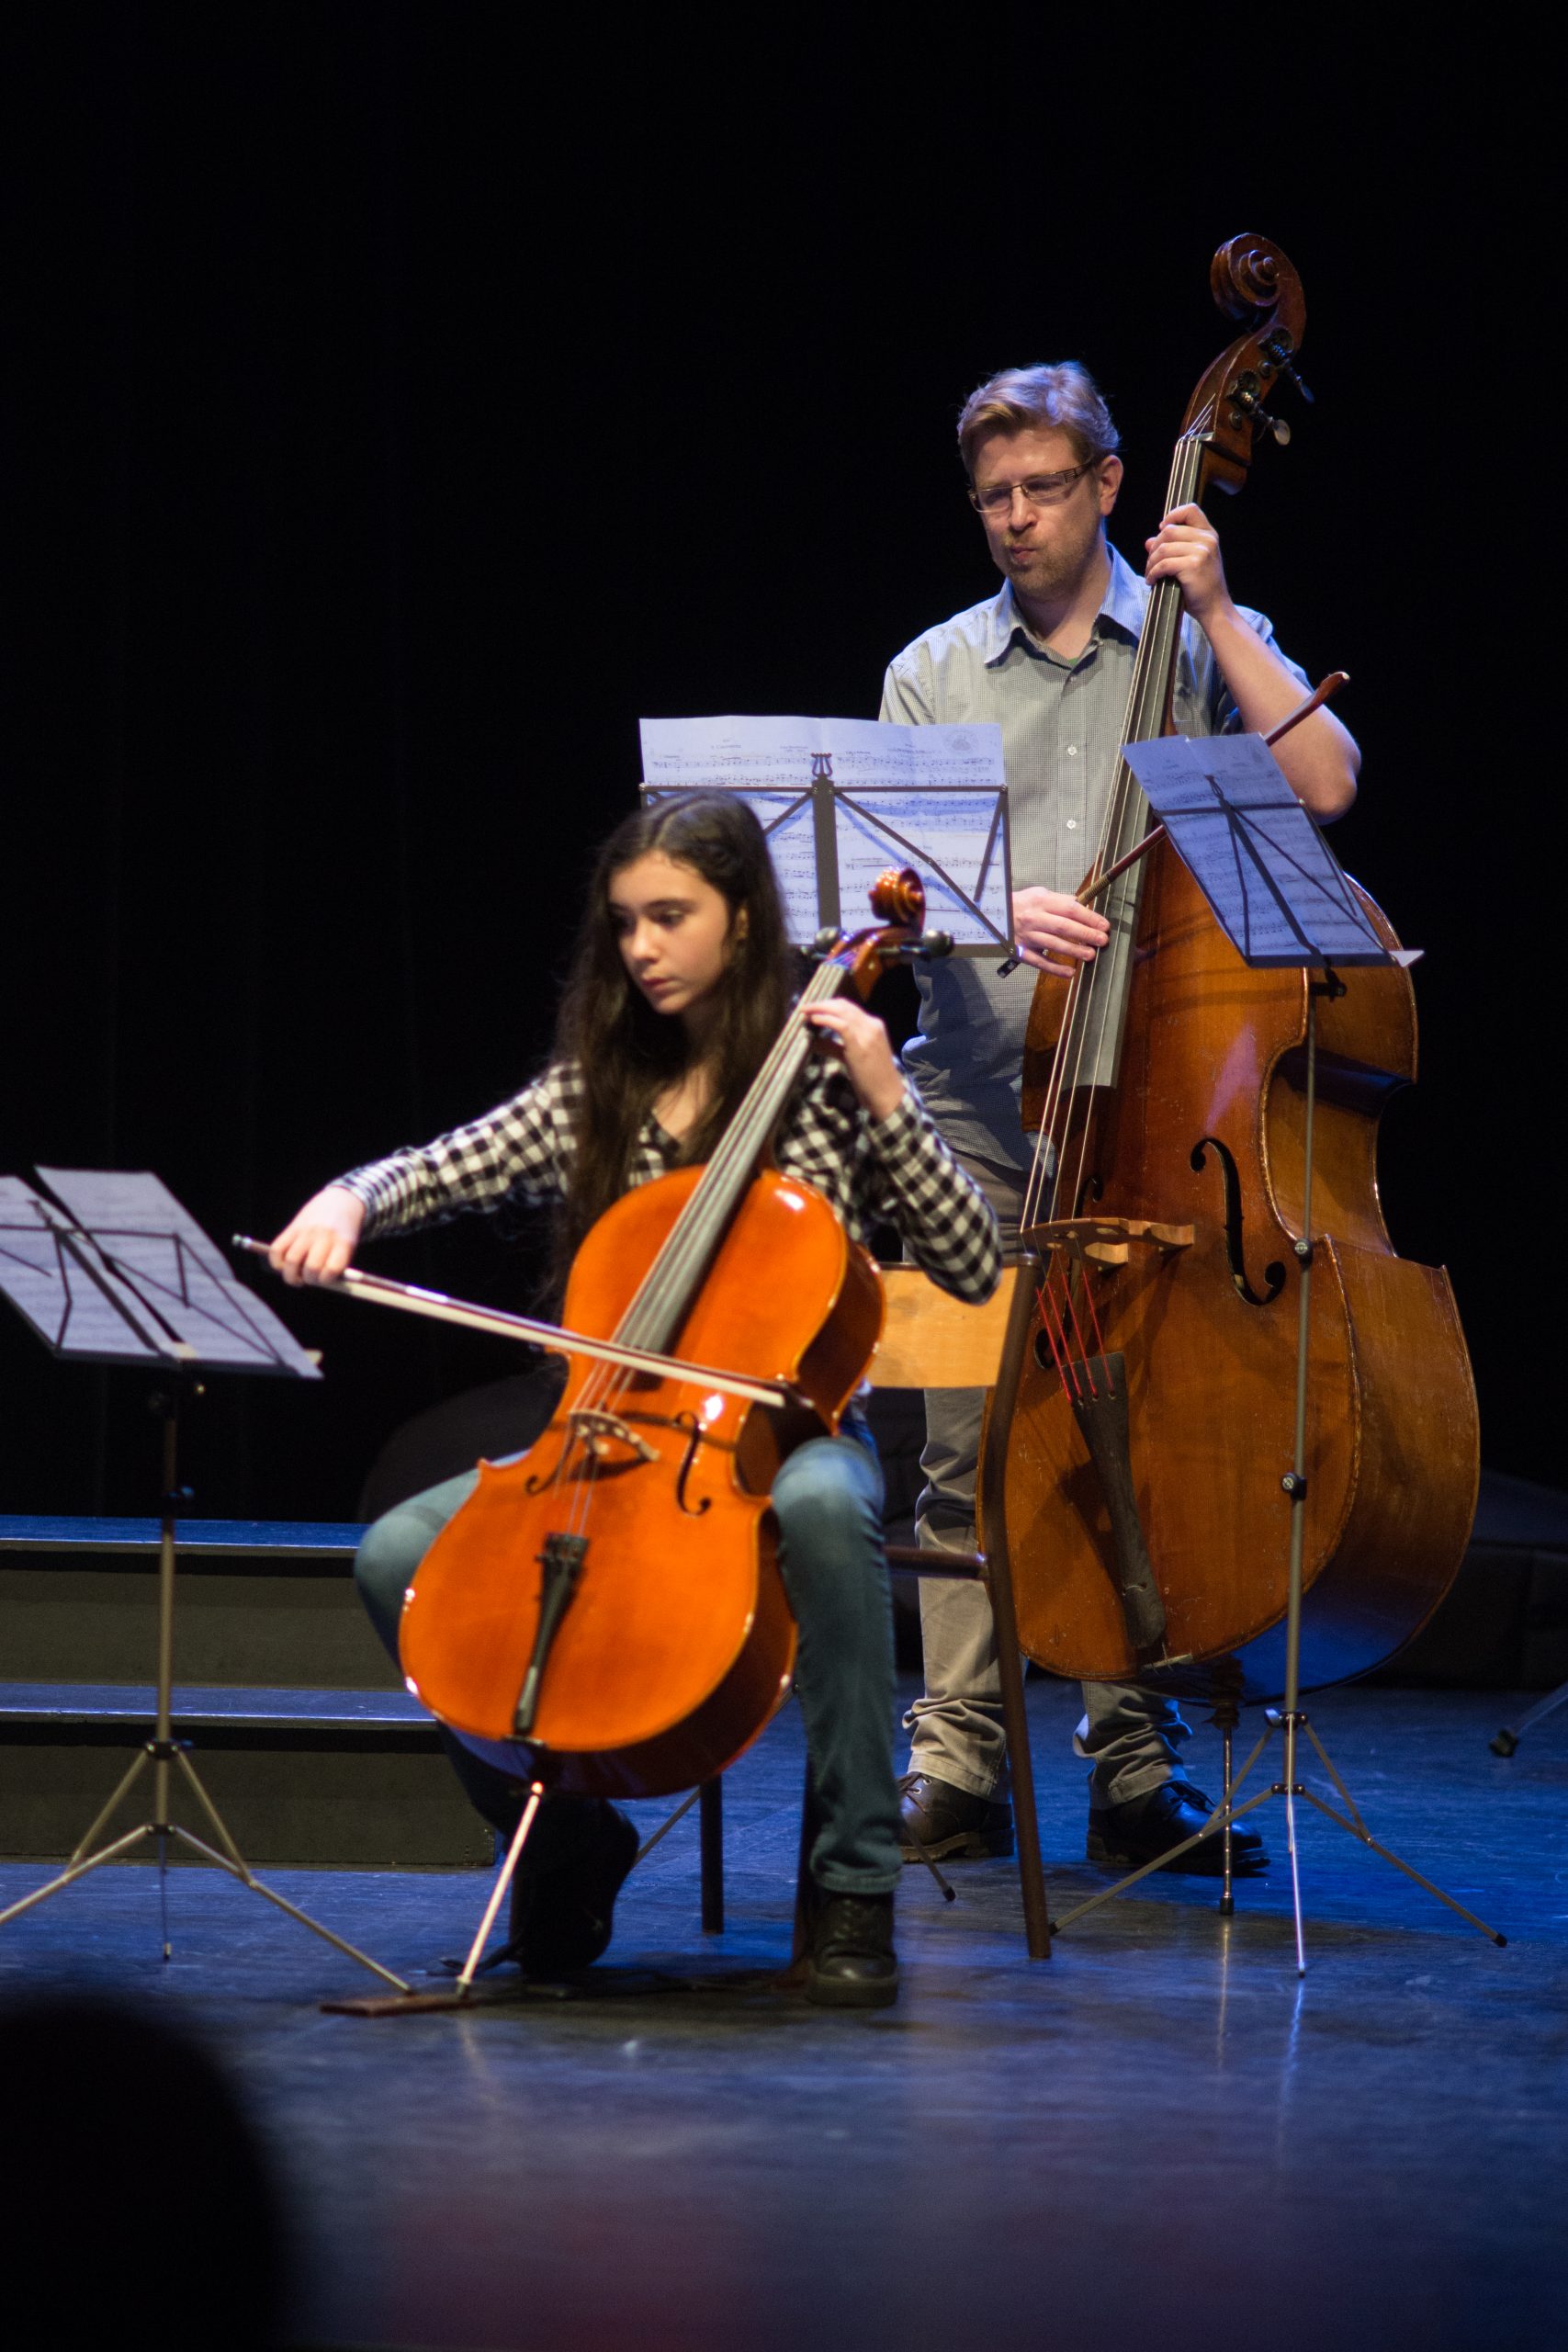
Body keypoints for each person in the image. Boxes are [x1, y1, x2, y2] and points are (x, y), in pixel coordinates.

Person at [268, 793, 1001, 2007]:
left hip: (793, 1433)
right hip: (612, 1437)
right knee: (396, 1556)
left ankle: (853, 1879)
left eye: (671, 917)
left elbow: (975, 1263)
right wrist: (350, 1199)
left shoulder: (826, 1081)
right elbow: (441, 1165)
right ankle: (564, 1839)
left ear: (745, 920)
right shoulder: (597, 1091)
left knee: (826, 1512)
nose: (643, 948)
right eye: (625, 925)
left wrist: (887, 1091)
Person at [881, 361, 1359, 1875]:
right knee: (963, 1438)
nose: (1016, 522)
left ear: (1107, 486)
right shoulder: (932, 674)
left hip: (1154, 1106)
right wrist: (987, 903)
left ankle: (1129, 1773)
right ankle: (957, 1763)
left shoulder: (1195, 637)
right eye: (993, 500)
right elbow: (889, 901)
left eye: (1042, 491)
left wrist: (1219, 611)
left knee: (1128, 1436)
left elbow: (1330, 786)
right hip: (972, 1097)